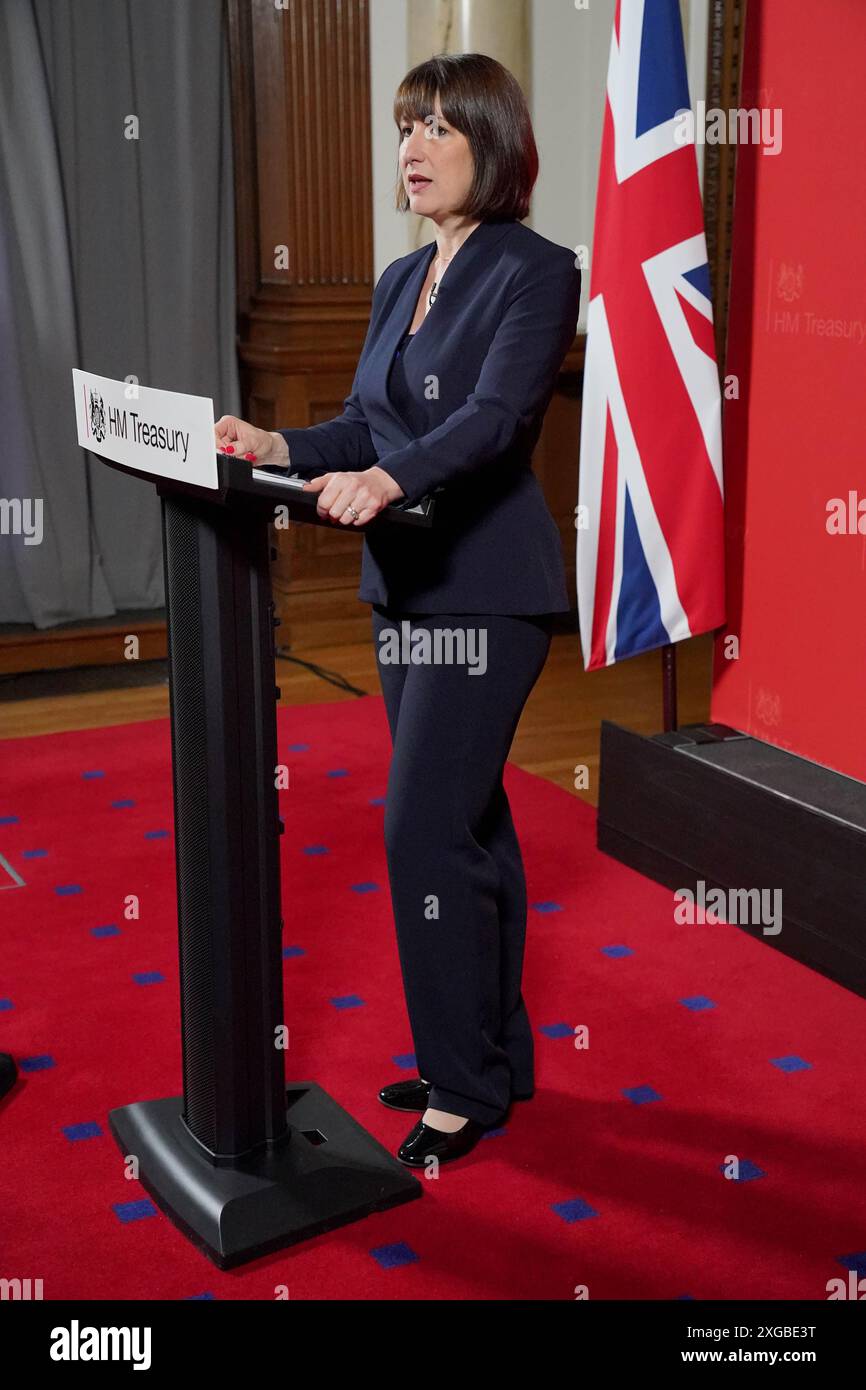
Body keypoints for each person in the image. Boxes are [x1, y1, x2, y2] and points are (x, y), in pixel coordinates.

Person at [215, 52, 581, 1169]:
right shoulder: (393, 280)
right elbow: (364, 424)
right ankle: (494, 1054)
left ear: (493, 145)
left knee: (418, 822)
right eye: (402, 127)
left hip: (488, 589)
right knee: (471, 824)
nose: (410, 147)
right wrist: (283, 445)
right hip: (402, 592)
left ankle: (460, 1087)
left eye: (434, 127)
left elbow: (494, 414)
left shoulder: (535, 268)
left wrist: (390, 481)